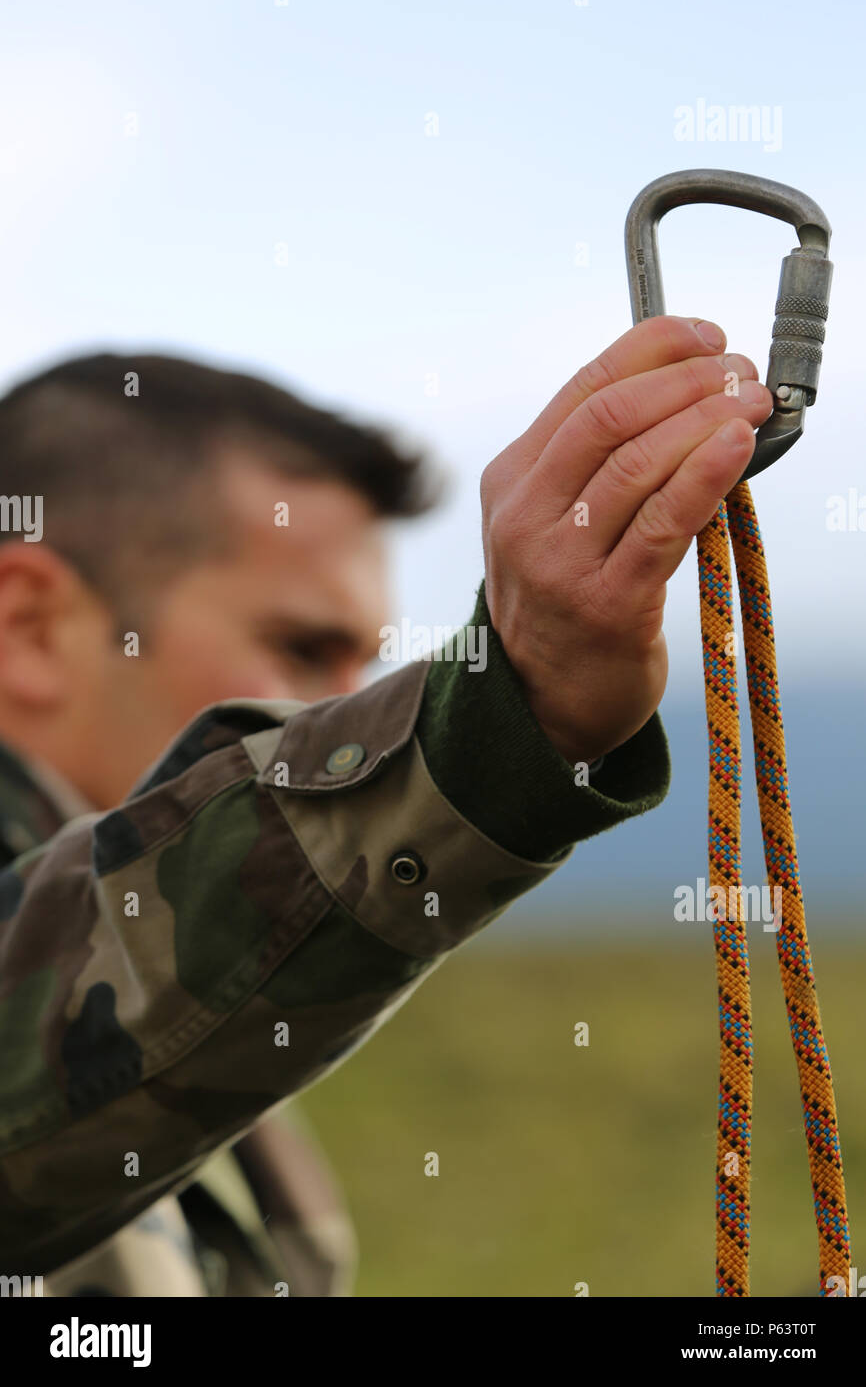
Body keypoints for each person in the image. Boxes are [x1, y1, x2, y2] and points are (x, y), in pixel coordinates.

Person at [0, 316, 772, 1295]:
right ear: (29, 625)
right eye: (301, 647)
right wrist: (495, 713)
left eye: (366, 663)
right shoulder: (162, 986)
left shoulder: (213, 1017)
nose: (337, 707)